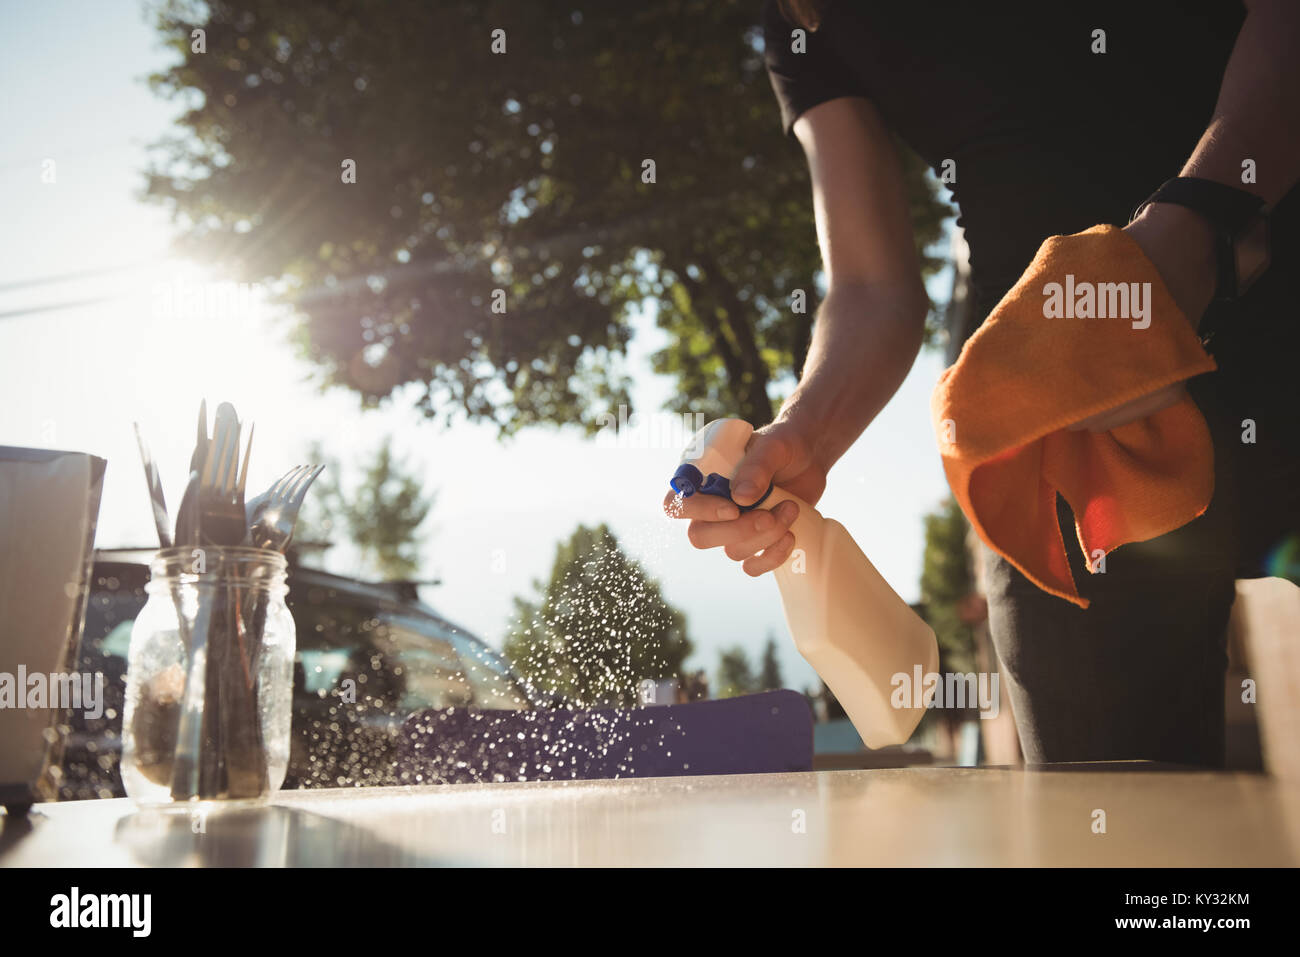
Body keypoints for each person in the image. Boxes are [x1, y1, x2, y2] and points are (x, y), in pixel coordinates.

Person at [666, 0, 1300, 766]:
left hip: (1264, 269)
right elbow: (872, 285)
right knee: (1106, 822)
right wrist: (803, 431)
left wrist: (1199, 224)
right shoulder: (802, 18)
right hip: (1047, 420)